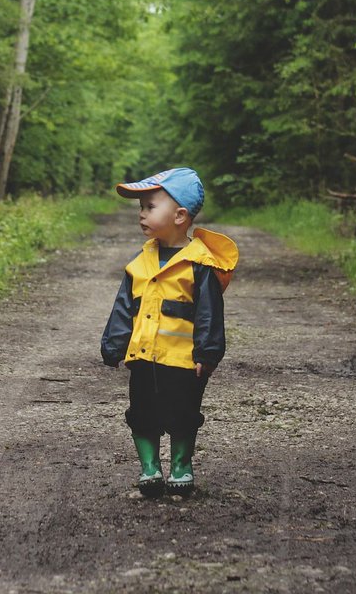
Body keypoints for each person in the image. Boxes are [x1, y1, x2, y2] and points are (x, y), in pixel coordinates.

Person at [100, 167, 239, 497]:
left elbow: (209, 312)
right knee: (142, 411)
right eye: (141, 208)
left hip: (183, 361)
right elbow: (124, 306)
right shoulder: (140, 262)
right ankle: (149, 467)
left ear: (179, 215)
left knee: (184, 413)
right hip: (144, 355)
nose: (142, 214)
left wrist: (208, 352)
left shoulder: (199, 264)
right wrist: (114, 343)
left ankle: (181, 465)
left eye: (150, 207)